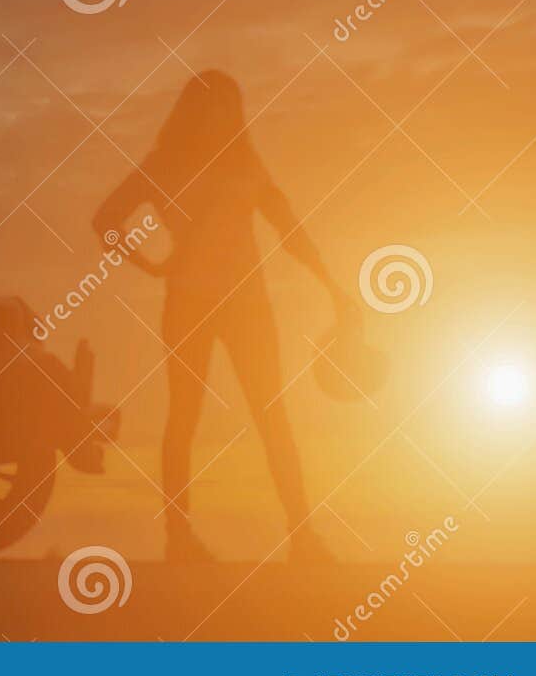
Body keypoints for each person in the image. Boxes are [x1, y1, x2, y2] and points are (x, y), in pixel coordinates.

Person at [92, 71, 354, 563]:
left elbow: (287, 228)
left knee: (272, 415)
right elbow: (104, 219)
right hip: (188, 304)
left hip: (247, 305)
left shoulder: (245, 162)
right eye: (216, 106)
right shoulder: (163, 165)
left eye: (233, 107)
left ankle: (303, 535)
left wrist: (330, 285)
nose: (226, 117)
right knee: (183, 418)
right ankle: (178, 537)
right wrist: (150, 264)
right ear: (194, 111)